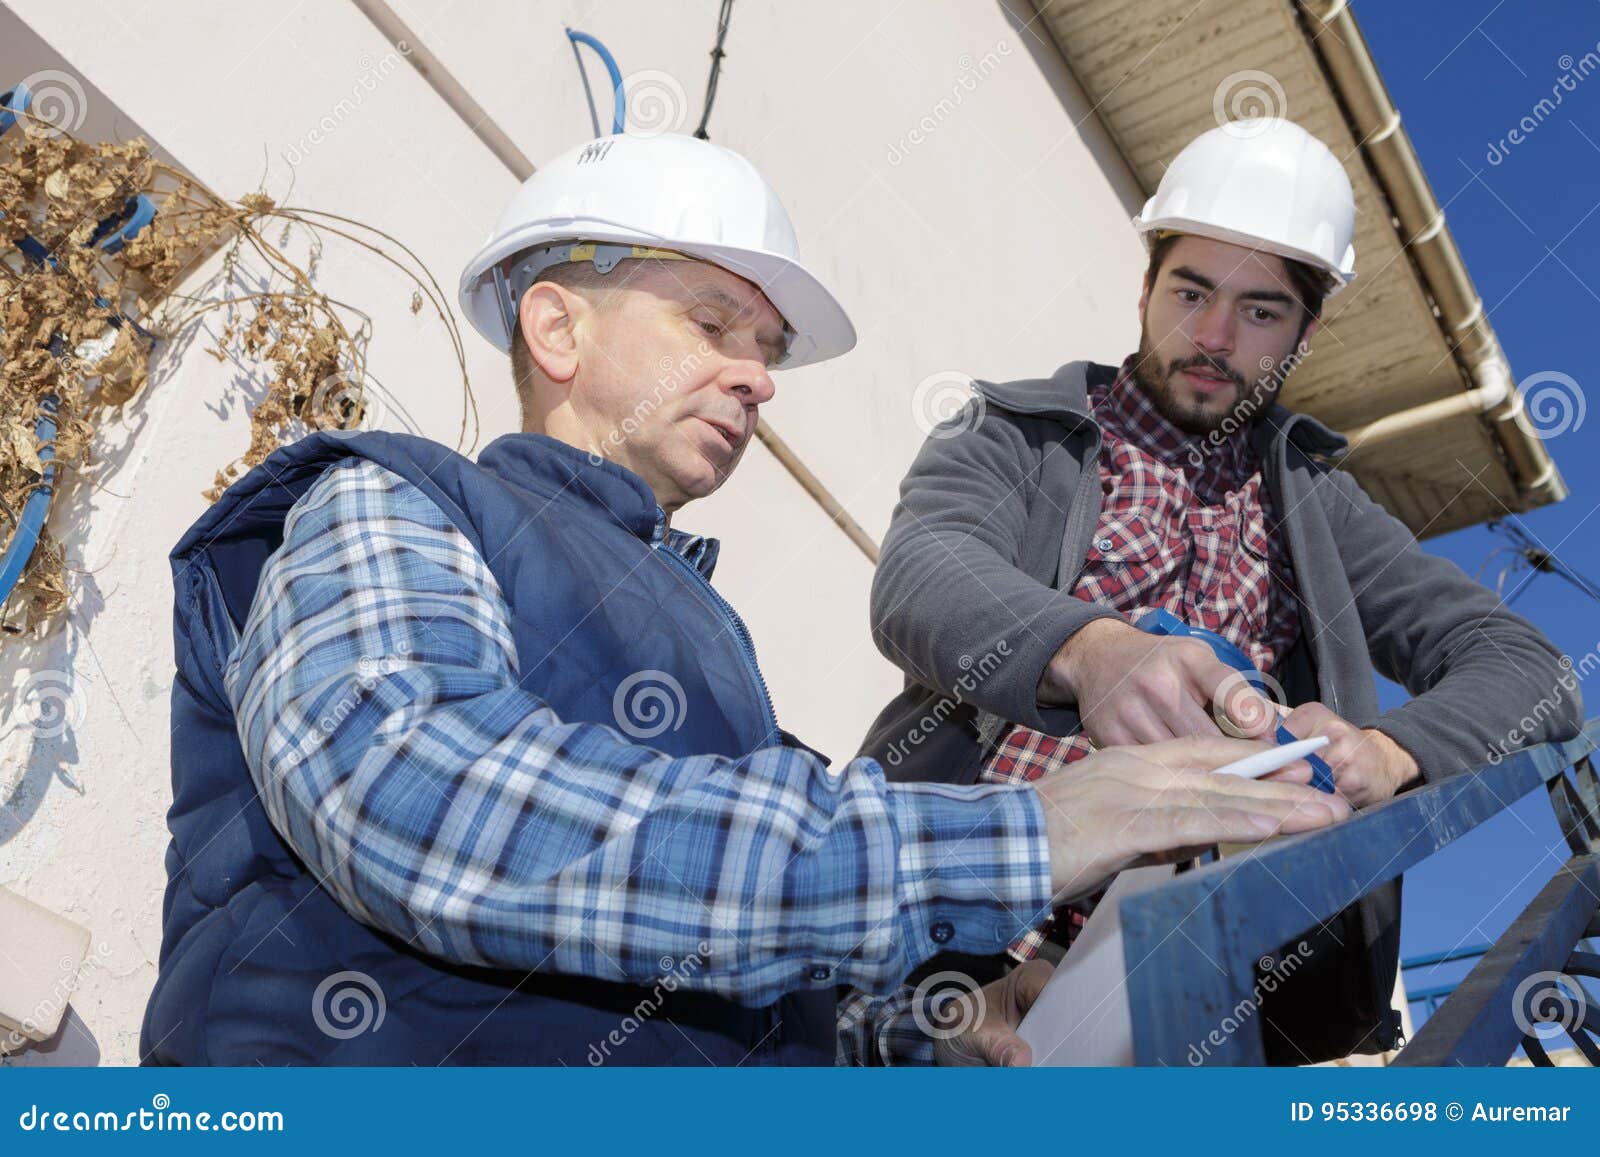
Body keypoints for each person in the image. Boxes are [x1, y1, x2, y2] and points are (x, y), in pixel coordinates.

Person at [142, 131, 1346, 1067]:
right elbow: (424, 802)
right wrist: (1029, 833)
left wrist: (920, 1013)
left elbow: (732, 951)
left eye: (764, 344)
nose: (758, 376)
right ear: (555, 326)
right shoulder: (387, 502)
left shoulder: (707, 643)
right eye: (713, 322)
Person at [861, 117, 1582, 1063]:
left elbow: (1533, 669)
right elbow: (921, 574)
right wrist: (1093, 651)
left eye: (1260, 310)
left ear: (1305, 333)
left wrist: (1388, 751)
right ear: (1146, 286)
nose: (1211, 335)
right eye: (1191, 290)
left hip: (1182, 996)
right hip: (943, 934)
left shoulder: (1323, 510)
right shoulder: (1015, 433)